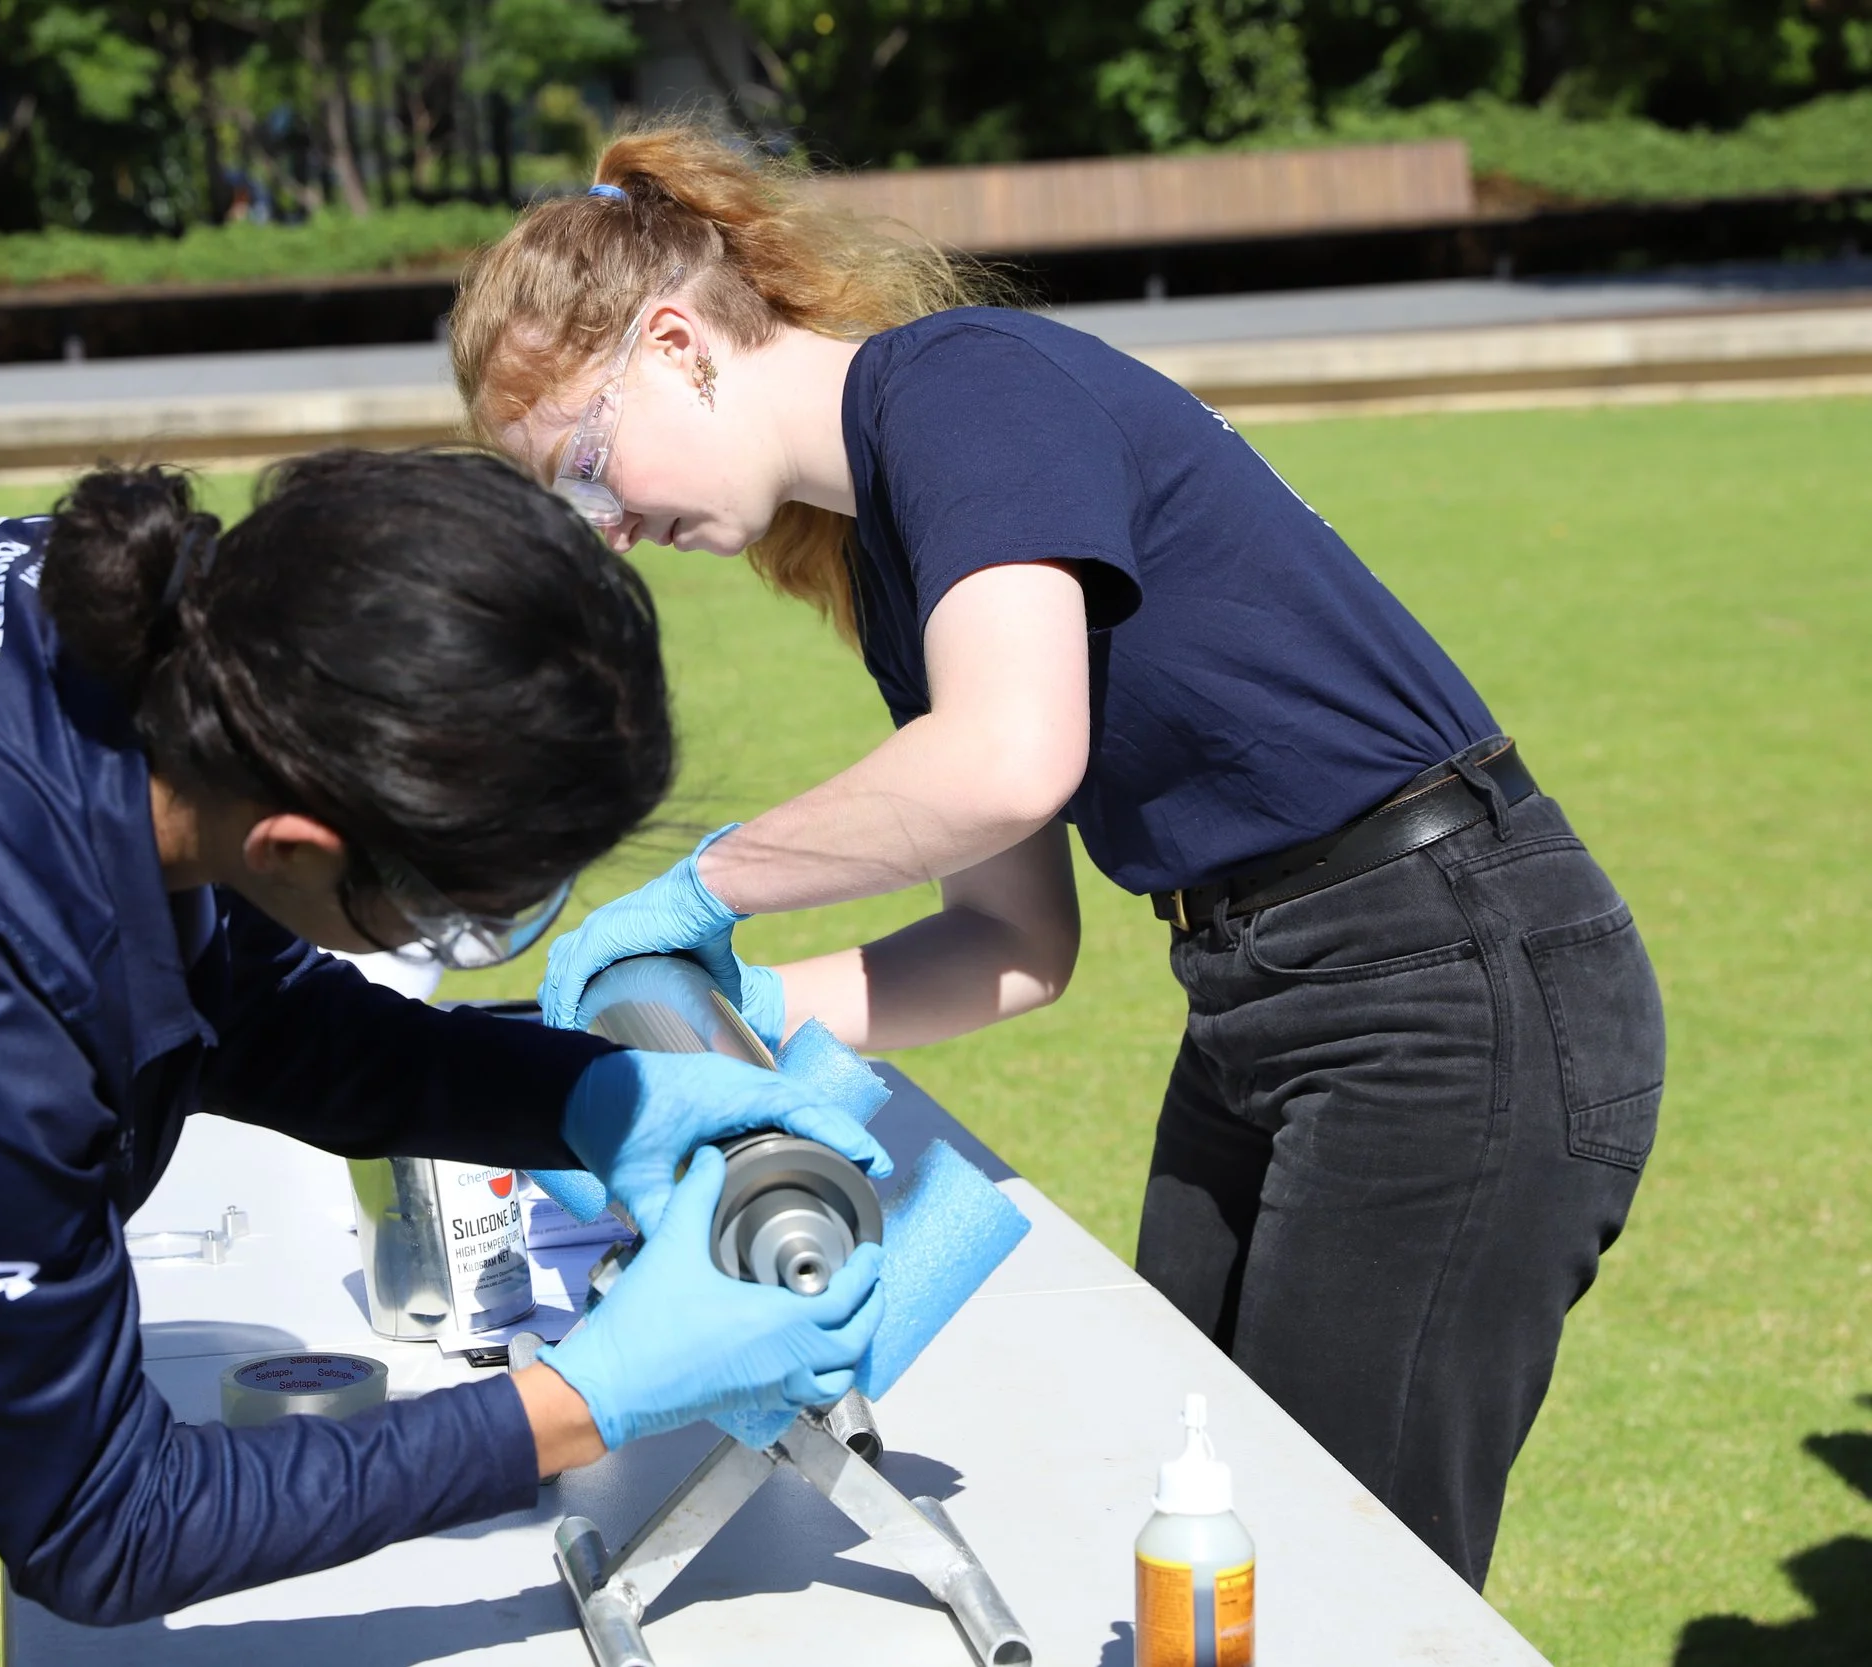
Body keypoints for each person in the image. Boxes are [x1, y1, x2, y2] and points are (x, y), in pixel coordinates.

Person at [449, 130, 1667, 1588]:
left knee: (1340, 1587)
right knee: (1190, 1513)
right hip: (1268, 995)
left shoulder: (963, 388)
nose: (616, 533)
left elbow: (1007, 759)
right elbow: (1015, 943)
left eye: (586, 471)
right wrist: (743, 1014)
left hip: (1450, 987)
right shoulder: (895, 549)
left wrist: (707, 882)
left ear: (677, 342)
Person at [0, 449, 890, 1665]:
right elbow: (101, 1520)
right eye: (467, 906)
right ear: (294, 842)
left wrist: (589, 1096)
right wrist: (590, 1395)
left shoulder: (107, 624)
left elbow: (250, 1011)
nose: (481, 926)